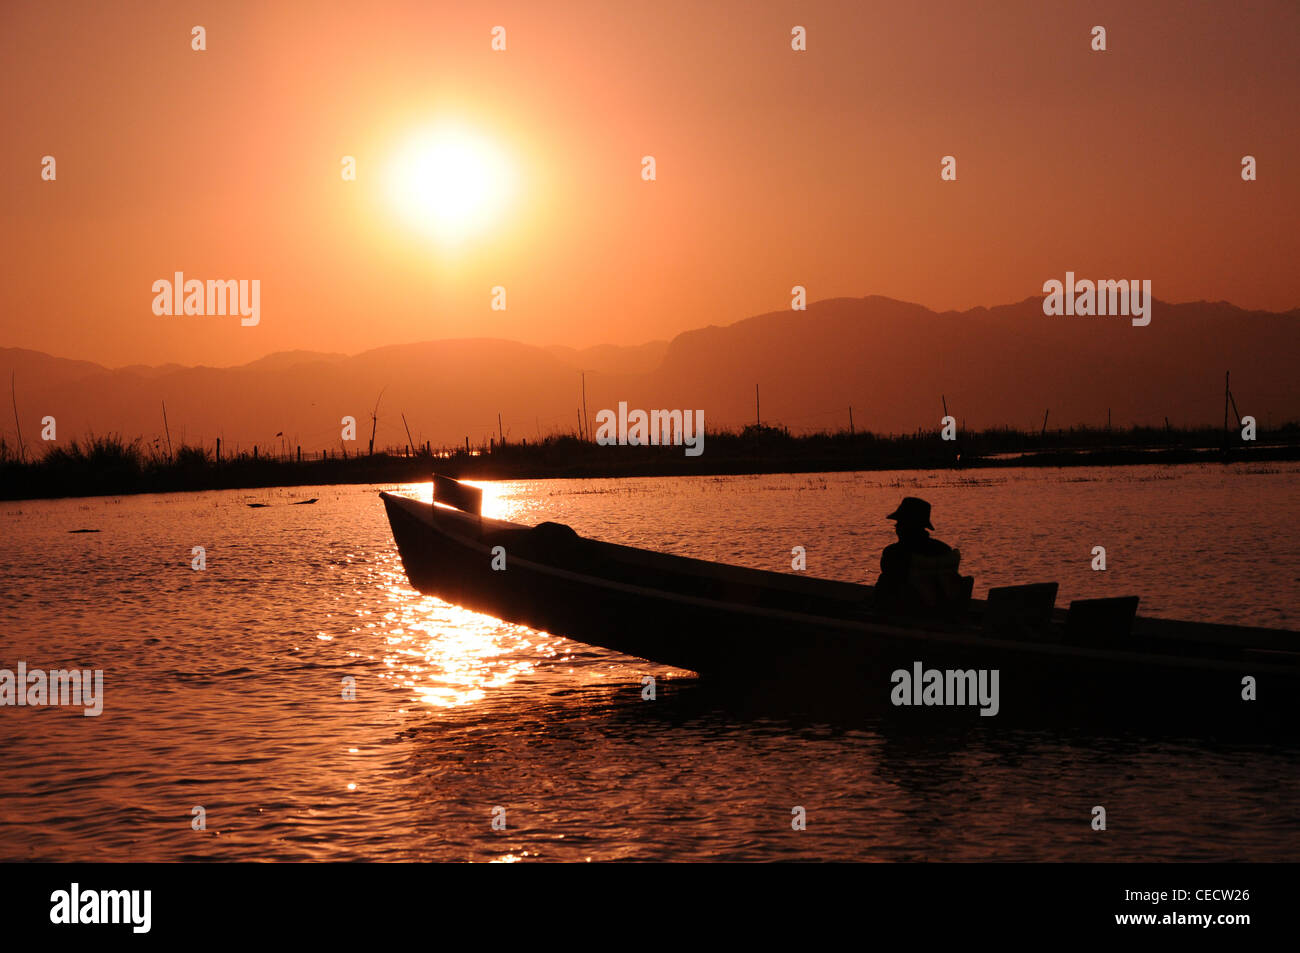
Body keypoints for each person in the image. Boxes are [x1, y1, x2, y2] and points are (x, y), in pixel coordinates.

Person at [874, 497, 970, 614]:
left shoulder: (894, 553)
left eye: (899, 524)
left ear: (907, 526)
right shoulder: (944, 550)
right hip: (942, 613)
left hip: (907, 613)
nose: (897, 529)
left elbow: (888, 586)